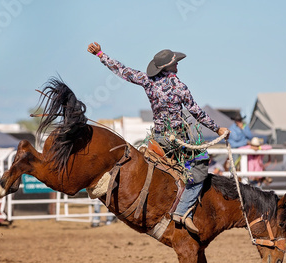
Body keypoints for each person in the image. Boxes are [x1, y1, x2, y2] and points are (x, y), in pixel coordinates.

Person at [87, 42, 229, 234]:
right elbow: (196, 112)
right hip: (177, 140)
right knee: (201, 163)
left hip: (159, 138)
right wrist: (217, 128)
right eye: (175, 63)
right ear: (169, 66)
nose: (177, 65)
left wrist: (101, 55)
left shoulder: (148, 81)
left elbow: (123, 71)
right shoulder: (179, 86)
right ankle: (182, 210)